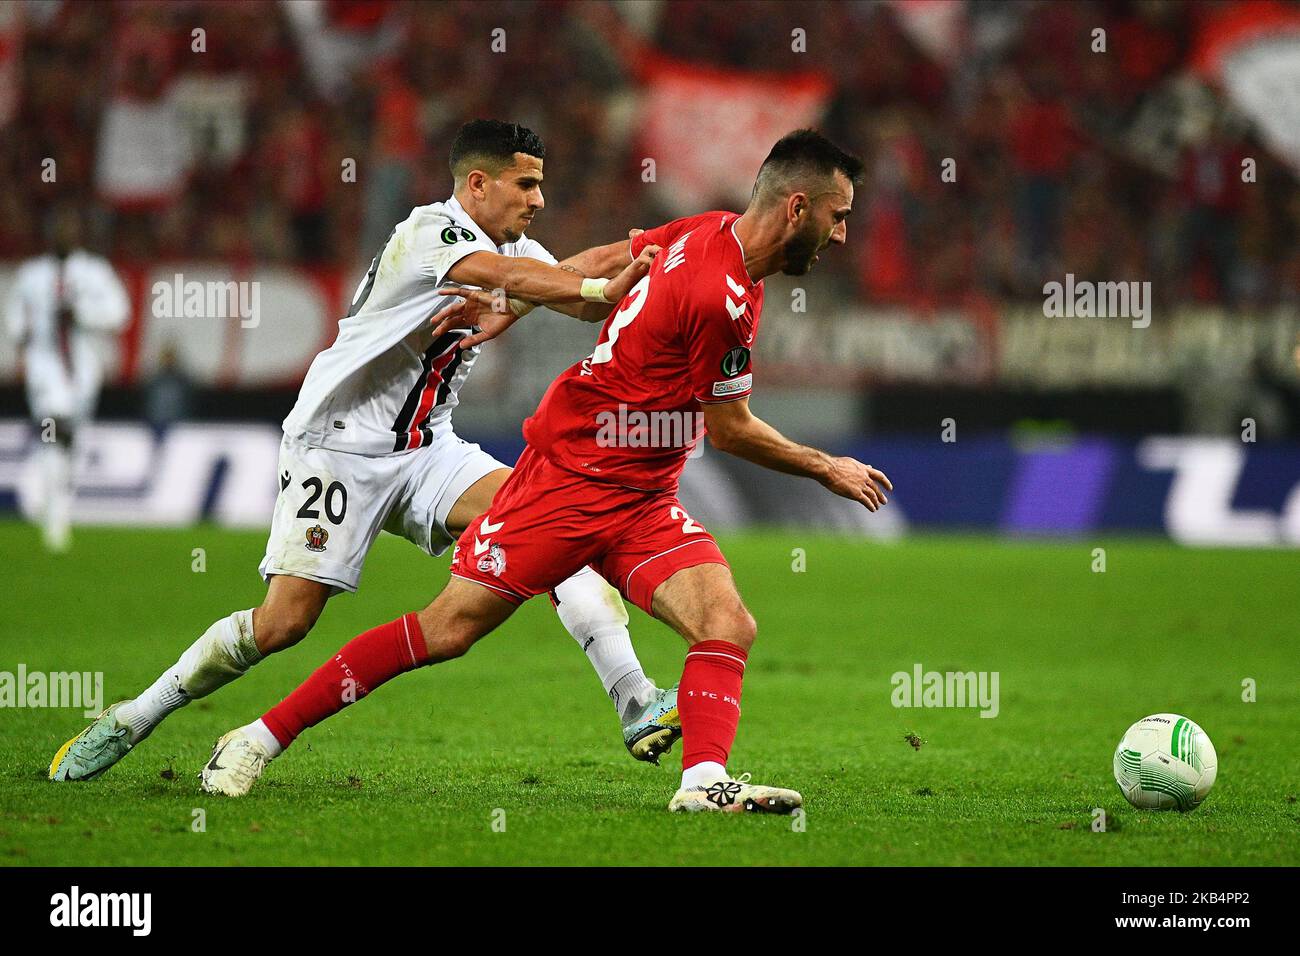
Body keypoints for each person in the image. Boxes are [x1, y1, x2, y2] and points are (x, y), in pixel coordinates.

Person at [200, 129, 892, 814]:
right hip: (565, 483)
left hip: (642, 496)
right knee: (446, 631)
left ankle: (702, 783)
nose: (840, 237)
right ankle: (260, 737)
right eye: (839, 218)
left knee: (726, 622)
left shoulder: (706, 231)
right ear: (797, 208)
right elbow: (729, 429)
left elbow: (606, 258)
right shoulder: (721, 298)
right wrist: (825, 466)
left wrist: (515, 302)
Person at [49, 120, 677, 782]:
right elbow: (525, 280)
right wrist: (591, 290)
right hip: (338, 448)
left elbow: (572, 285)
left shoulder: (516, 249)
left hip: (428, 449)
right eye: (527, 184)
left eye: (541, 186)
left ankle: (635, 700)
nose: (538, 200)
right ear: (478, 183)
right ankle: (134, 715)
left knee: (555, 526)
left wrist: (656, 248)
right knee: (284, 623)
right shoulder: (429, 233)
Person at [5, 207, 129, 553]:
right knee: (54, 426)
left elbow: (120, 313)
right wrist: (25, 333)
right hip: (45, 367)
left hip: (84, 370)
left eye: (69, 225)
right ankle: (55, 521)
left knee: (71, 443)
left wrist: (84, 316)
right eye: (58, 225)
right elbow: (15, 321)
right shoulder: (31, 275)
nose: (64, 232)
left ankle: (58, 508)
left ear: (79, 233)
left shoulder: (94, 272)